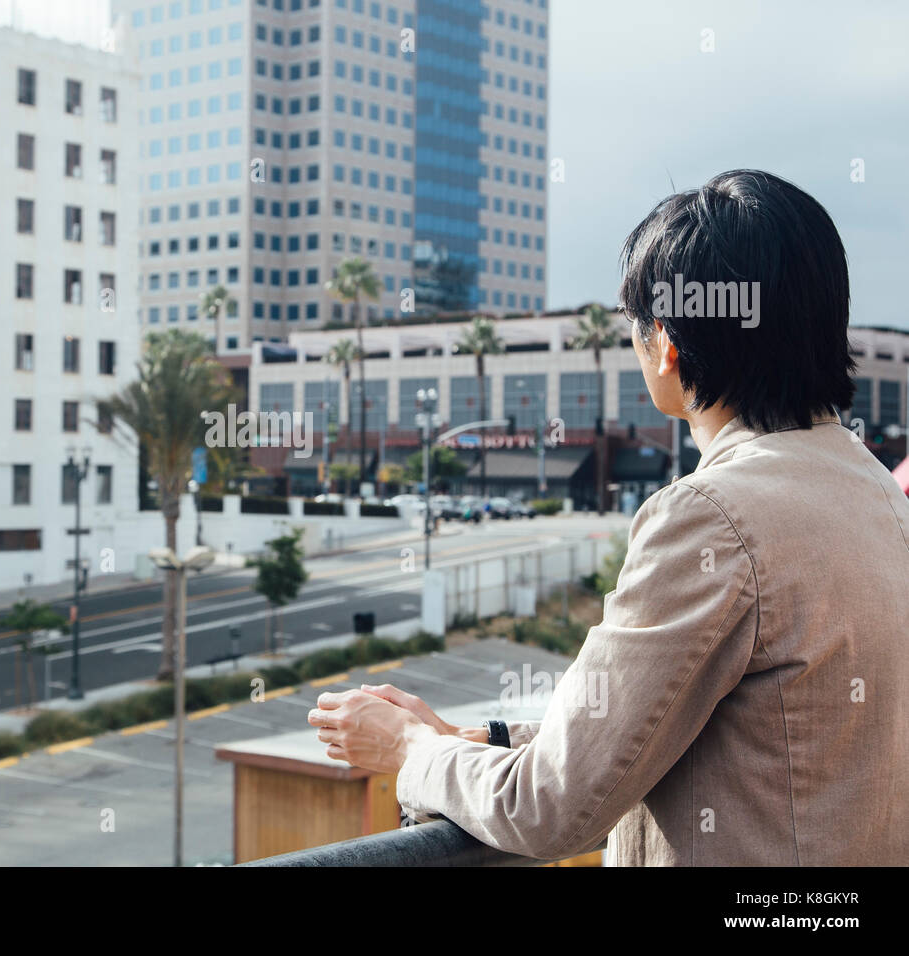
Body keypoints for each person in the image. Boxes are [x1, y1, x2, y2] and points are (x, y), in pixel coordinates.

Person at [309, 170, 909, 865]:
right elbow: (736, 732)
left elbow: (549, 807)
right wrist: (483, 742)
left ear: (666, 342)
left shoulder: (712, 517)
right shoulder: (874, 491)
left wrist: (410, 749)